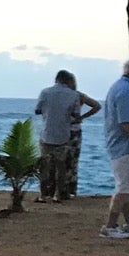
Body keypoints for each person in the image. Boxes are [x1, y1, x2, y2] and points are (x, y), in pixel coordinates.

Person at [33, 69, 86, 203]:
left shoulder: (45, 92)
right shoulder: (73, 95)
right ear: (67, 81)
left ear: (56, 79)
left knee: (44, 166)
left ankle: (44, 195)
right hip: (63, 134)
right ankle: (58, 194)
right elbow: (76, 115)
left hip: (47, 133)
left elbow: (37, 110)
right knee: (61, 166)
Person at [100, 57, 129, 239]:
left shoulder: (119, 87)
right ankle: (109, 226)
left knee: (128, 188)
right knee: (124, 189)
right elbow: (127, 125)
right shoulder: (126, 91)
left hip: (118, 147)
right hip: (124, 148)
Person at [62, 72, 100, 199]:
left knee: (62, 161)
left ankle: (61, 190)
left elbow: (96, 106)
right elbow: (96, 106)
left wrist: (82, 117)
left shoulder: (69, 95)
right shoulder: (78, 96)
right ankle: (70, 190)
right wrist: (82, 117)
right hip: (74, 130)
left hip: (64, 130)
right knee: (72, 162)